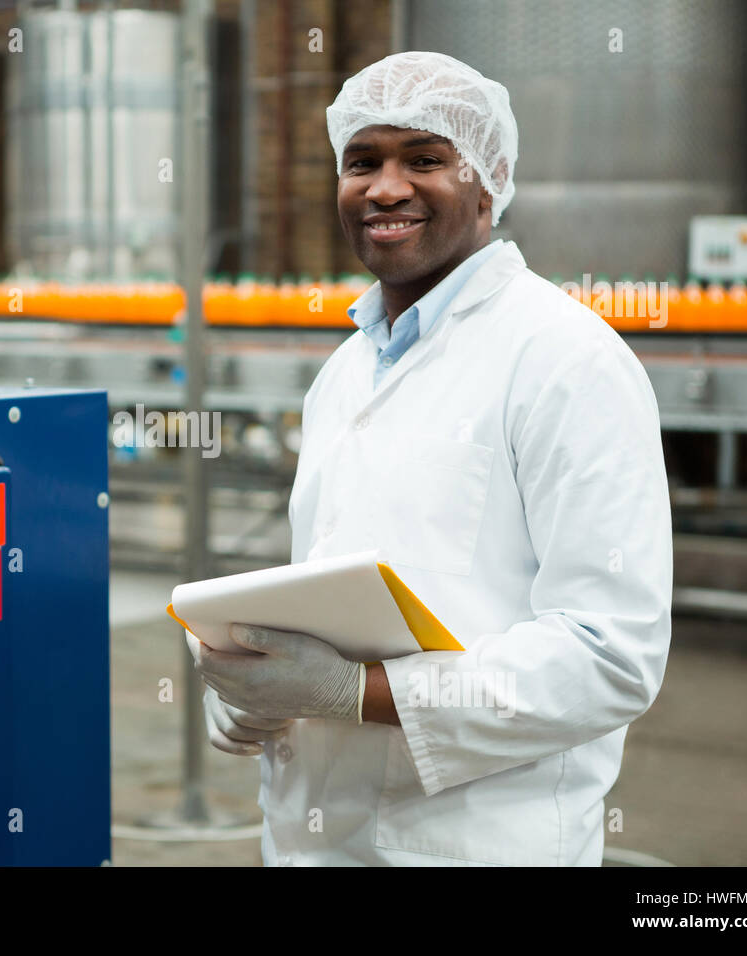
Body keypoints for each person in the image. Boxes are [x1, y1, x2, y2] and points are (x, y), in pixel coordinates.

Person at [187, 51, 673, 866]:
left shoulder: (565, 360)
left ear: (490, 182)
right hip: (311, 836)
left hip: (471, 843)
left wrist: (354, 693)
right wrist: (256, 692)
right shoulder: (345, 372)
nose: (384, 188)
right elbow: (333, 597)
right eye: (361, 162)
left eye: (424, 159)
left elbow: (609, 657)